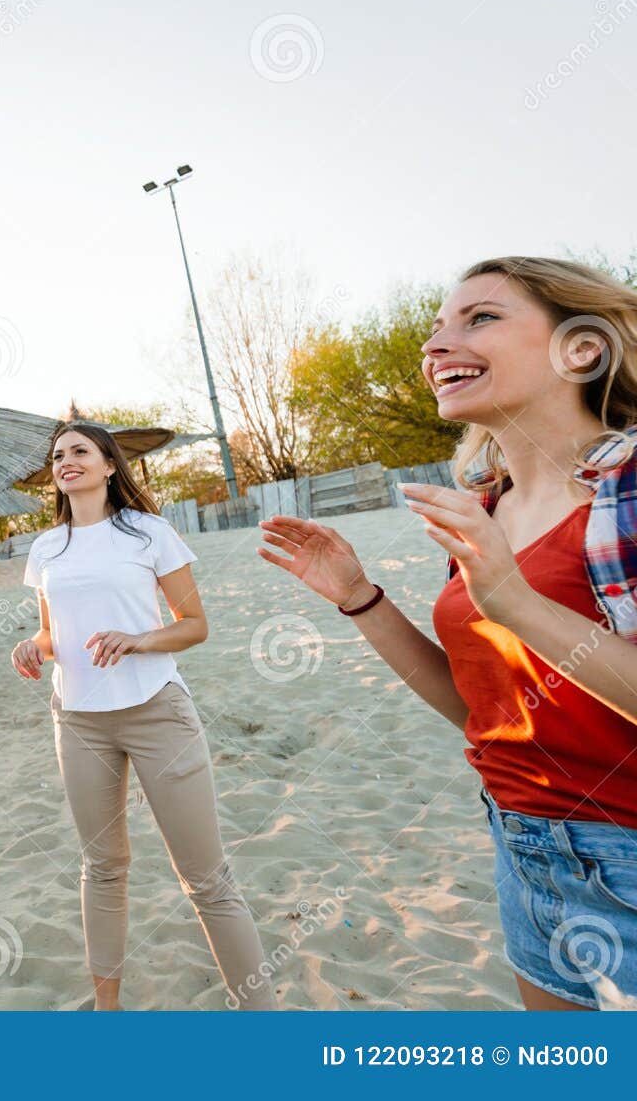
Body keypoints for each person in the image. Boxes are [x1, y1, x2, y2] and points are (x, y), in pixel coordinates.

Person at [259, 257, 637, 1011]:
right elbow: (484, 713)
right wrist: (361, 599)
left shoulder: (627, 489)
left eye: (480, 319)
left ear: (582, 348)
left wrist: (512, 598)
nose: (437, 345)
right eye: (435, 330)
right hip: (520, 845)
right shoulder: (485, 507)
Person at [12, 421, 275, 1011]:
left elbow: (194, 625)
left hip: (158, 714)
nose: (66, 461)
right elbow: (53, 634)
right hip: (79, 721)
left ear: (109, 465)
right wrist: (34, 646)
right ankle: (108, 1013)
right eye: (58, 455)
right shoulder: (45, 548)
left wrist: (138, 639)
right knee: (102, 867)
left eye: (80, 451)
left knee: (206, 878)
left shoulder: (147, 533)